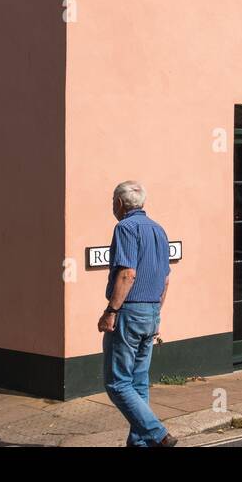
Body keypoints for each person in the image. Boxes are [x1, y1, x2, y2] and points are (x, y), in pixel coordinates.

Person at [98, 181, 176, 448]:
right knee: (139, 382)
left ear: (120, 203)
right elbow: (165, 279)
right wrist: (157, 315)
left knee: (117, 383)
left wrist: (111, 311)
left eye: (112, 200)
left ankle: (158, 433)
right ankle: (140, 444)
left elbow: (127, 273)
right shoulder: (159, 230)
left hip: (129, 313)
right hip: (152, 311)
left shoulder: (125, 228)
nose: (112, 205)